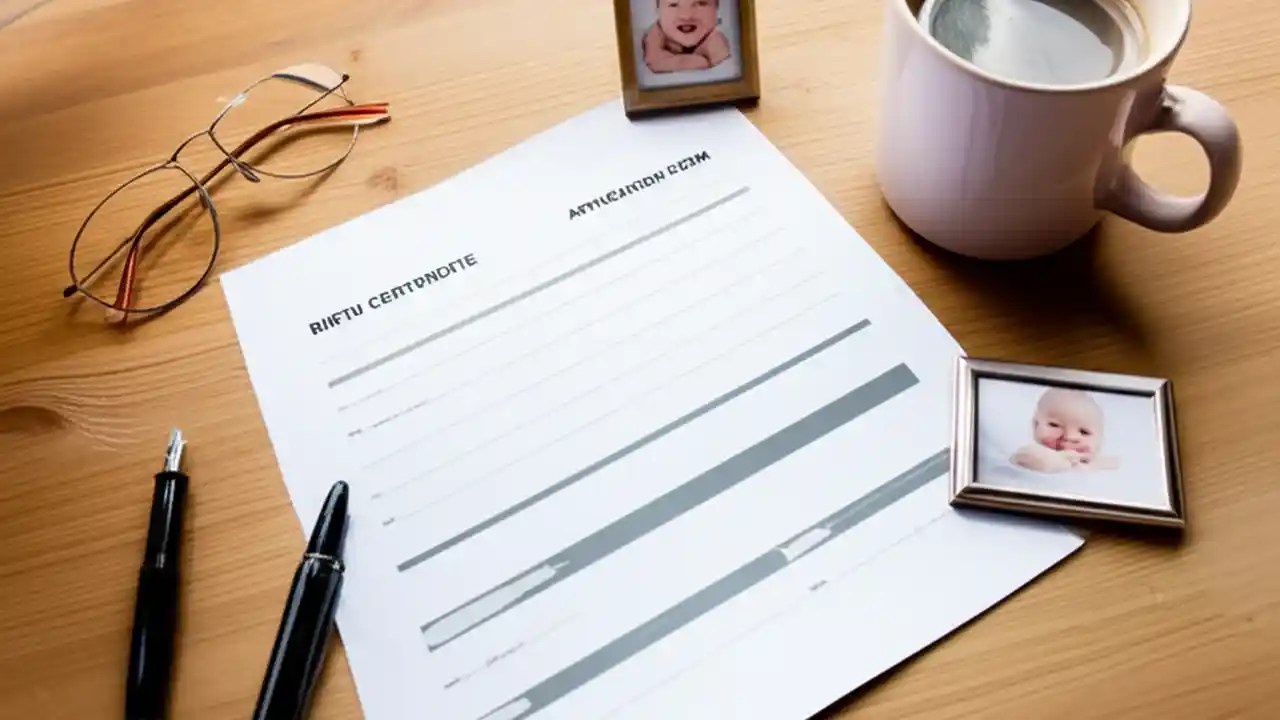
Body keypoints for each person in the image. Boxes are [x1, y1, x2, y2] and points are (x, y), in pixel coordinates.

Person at [1011, 388, 1120, 473]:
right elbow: (1026, 459)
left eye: (1084, 432)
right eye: (1055, 425)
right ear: (1035, 426)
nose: (1069, 437)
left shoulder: (1103, 465)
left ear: (1100, 440)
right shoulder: (1030, 453)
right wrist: (1062, 462)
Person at [642, 0, 732, 73]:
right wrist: (699, 61)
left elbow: (723, 65)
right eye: (674, 4)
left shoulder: (716, 37)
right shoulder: (655, 35)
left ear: (716, 9)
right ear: (658, 11)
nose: (686, 16)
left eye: (701, 4)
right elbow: (655, 63)